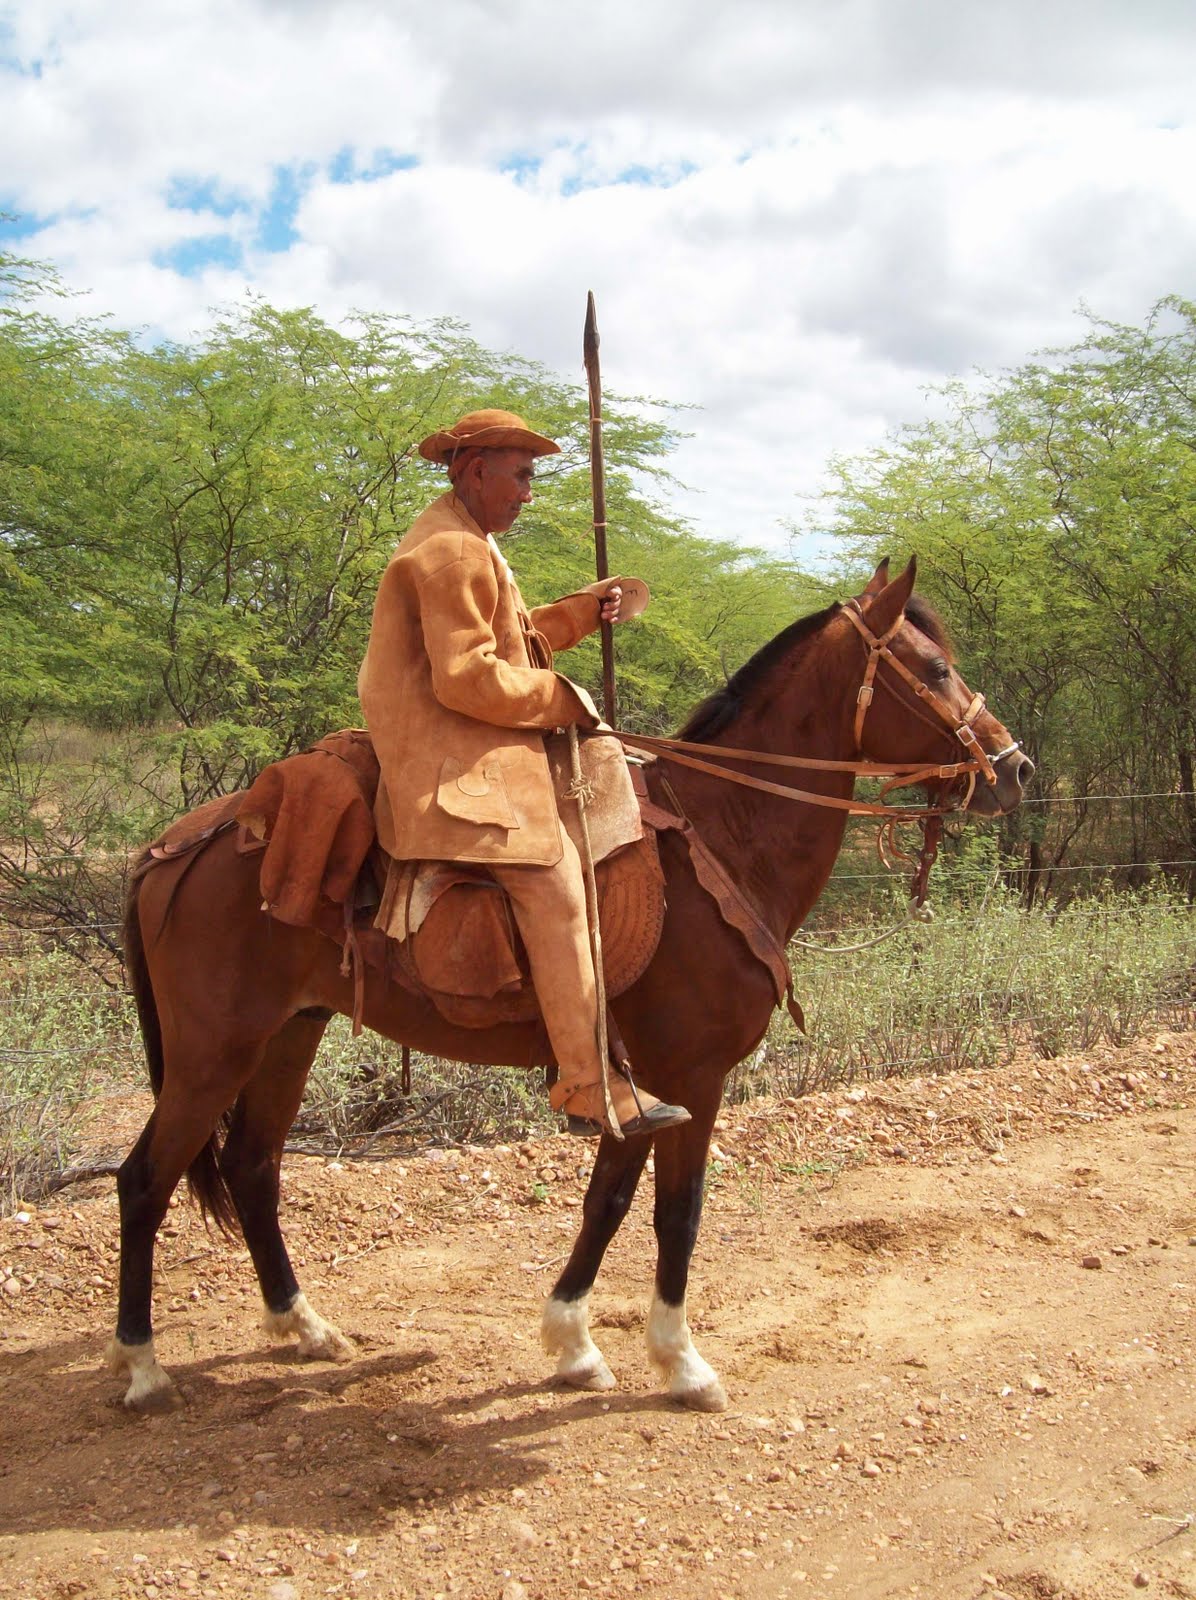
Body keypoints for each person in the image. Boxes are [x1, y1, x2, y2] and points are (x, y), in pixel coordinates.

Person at [357, 408, 691, 1139]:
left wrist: (580, 613)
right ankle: (585, 1086)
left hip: (466, 740)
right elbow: (468, 680)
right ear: (476, 471)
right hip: (451, 757)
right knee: (556, 883)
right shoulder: (454, 553)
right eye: (522, 475)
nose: (529, 493)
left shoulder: (464, 539)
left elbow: (512, 639)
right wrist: (566, 699)